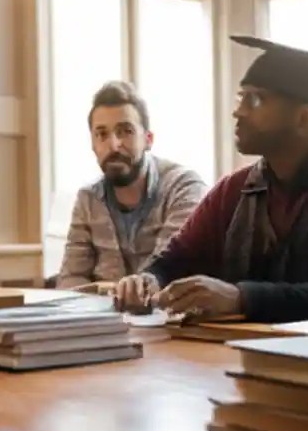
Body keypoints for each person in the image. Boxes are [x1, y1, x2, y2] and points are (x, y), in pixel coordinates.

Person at [113, 36, 308, 322]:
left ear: (304, 118)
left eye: (255, 100)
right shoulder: (232, 191)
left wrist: (243, 299)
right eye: (240, 97)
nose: (237, 111)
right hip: (246, 362)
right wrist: (147, 280)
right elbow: (175, 260)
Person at [56, 81, 207, 290]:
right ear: (92, 143)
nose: (114, 145)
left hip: (170, 319)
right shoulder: (88, 199)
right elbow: (70, 280)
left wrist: (101, 291)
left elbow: (173, 272)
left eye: (125, 131)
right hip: (101, 320)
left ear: (148, 139)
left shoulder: (183, 188)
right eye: (102, 134)